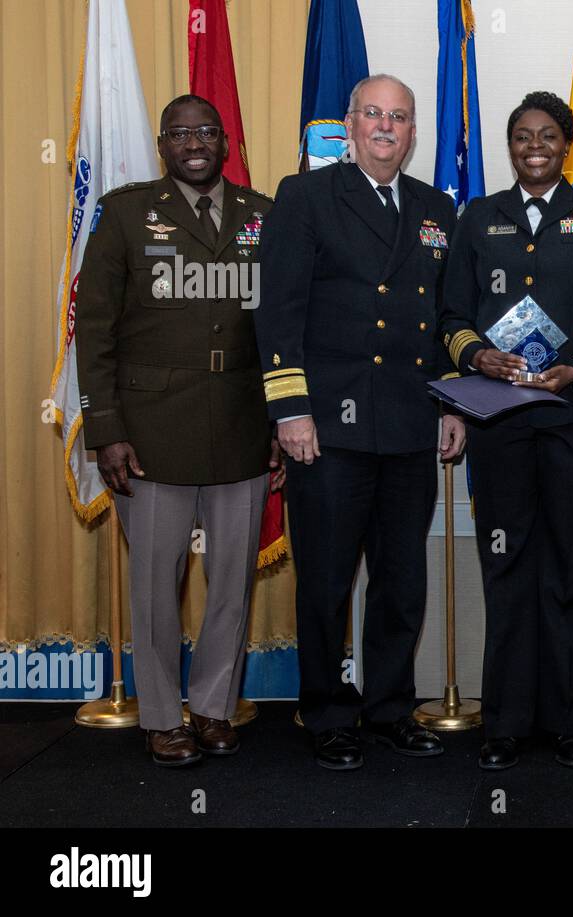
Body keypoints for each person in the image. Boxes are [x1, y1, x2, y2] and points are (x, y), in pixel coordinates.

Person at [255, 74, 465, 770]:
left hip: (408, 426)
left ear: (413, 133)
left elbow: (444, 320)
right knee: (326, 581)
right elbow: (278, 310)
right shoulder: (307, 196)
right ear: (349, 125)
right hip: (329, 430)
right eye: (372, 114)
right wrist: (291, 409)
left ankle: (390, 708)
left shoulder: (438, 209)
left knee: (402, 582)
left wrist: (451, 401)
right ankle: (326, 712)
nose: (385, 127)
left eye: (398, 118)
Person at [76, 94, 281, 766]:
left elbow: (283, 330)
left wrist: (281, 420)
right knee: (156, 585)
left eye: (206, 132)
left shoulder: (262, 216)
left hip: (244, 422)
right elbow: (96, 328)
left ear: (225, 142)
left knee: (230, 580)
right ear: (163, 146)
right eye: (180, 133)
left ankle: (215, 706)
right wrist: (104, 428)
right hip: (150, 430)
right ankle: (163, 716)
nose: (195, 142)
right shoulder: (127, 212)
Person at [440, 91, 573, 771]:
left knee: (565, 570)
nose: (534, 145)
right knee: (507, 567)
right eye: (522, 136)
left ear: (566, 144)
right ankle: (505, 722)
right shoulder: (477, 218)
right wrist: (476, 355)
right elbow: (450, 315)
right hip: (499, 425)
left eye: (547, 135)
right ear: (510, 145)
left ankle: (567, 719)